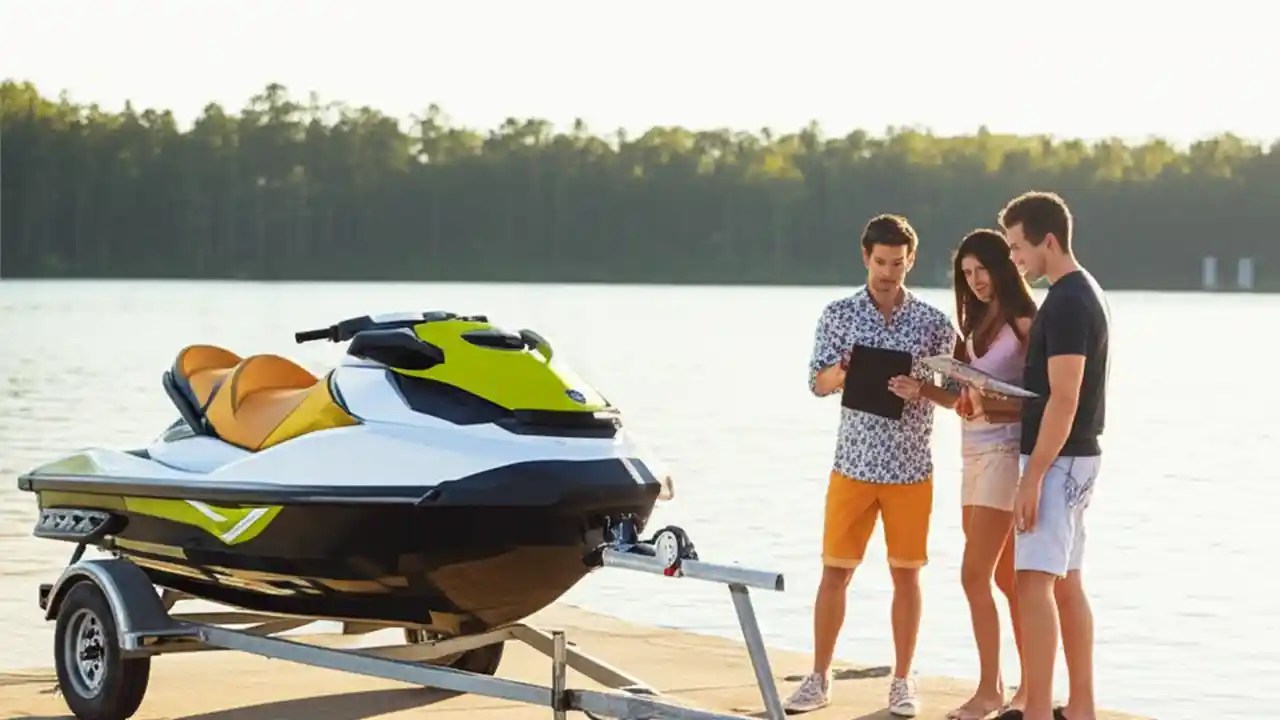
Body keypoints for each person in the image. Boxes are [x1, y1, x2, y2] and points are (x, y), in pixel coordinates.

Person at [785, 214, 959, 717]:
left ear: (911, 261)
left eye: (897, 263)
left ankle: (902, 682)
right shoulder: (838, 315)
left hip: (910, 470)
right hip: (853, 466)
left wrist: (919, 389)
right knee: (834, 573)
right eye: (880, 262)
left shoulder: (933, 324)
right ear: (866, 257)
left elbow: (954, 396)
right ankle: (819, 678)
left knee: (907, 577)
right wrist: (847, 369)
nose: (888, 272)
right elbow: (817, 384)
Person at [995, 191, 1110, 720]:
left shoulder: (1066, 301)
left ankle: (1038, 709)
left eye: (1018, 246)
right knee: (1067, 582)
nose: (1014, 258)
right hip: (1077, 457)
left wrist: (1032, 477)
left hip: (1058, 460)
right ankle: (1080, 706)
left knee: (1033, 583)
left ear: (1048, 240)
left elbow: (1065, 397)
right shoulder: (1086, 291)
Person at [940, 229, 1039, 720]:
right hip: (971, 454)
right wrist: (933, 390)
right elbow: (964, 399)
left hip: (1005, 454)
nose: (976, 280)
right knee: (1004, 578)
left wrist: (990, 405)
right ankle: (1026, 688)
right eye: (967, 273)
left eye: (982, 269)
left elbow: (1043, 402)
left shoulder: (1024, 322)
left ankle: (990, 692)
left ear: (1003, 265)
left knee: (974, 575)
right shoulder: (974, 322)